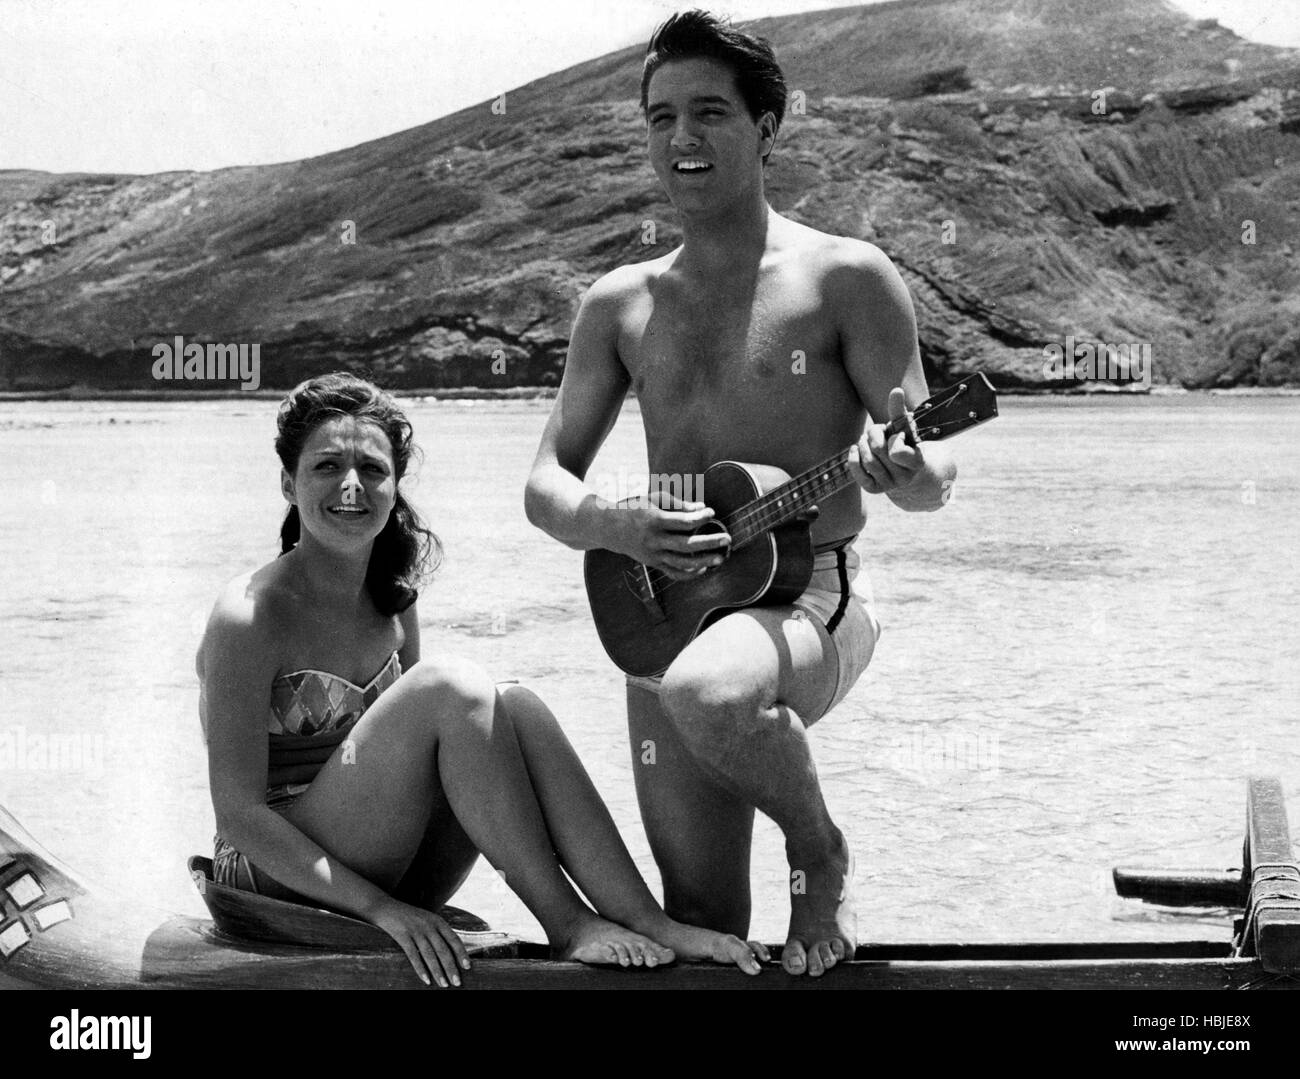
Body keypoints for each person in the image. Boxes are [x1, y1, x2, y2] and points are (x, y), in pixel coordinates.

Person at [525, 11, 957, 977]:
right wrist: (613, 521)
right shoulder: (619, 303)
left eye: (710, 112)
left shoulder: (846, 277)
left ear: (767, 126)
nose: (681, 139)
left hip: (812, 597)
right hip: (667, 608)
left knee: (710, 691)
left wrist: (908, 470)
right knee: (708, 924)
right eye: (660, 117)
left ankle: (820, 851)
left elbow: (931, 473)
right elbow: (545, 485)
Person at [196, 371, 767, 987]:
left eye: (373, 469)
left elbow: (424, 762)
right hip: (273, 875)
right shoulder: (248, 616)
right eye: (327, 467)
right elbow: (239, 817)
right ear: (288, 482)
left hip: (386, 857)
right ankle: (568, 925)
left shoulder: (390, 597)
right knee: (451, 688)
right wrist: (386, 913)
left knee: (516, 705)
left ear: (395, 486)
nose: (351, 487)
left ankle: (647, 920)